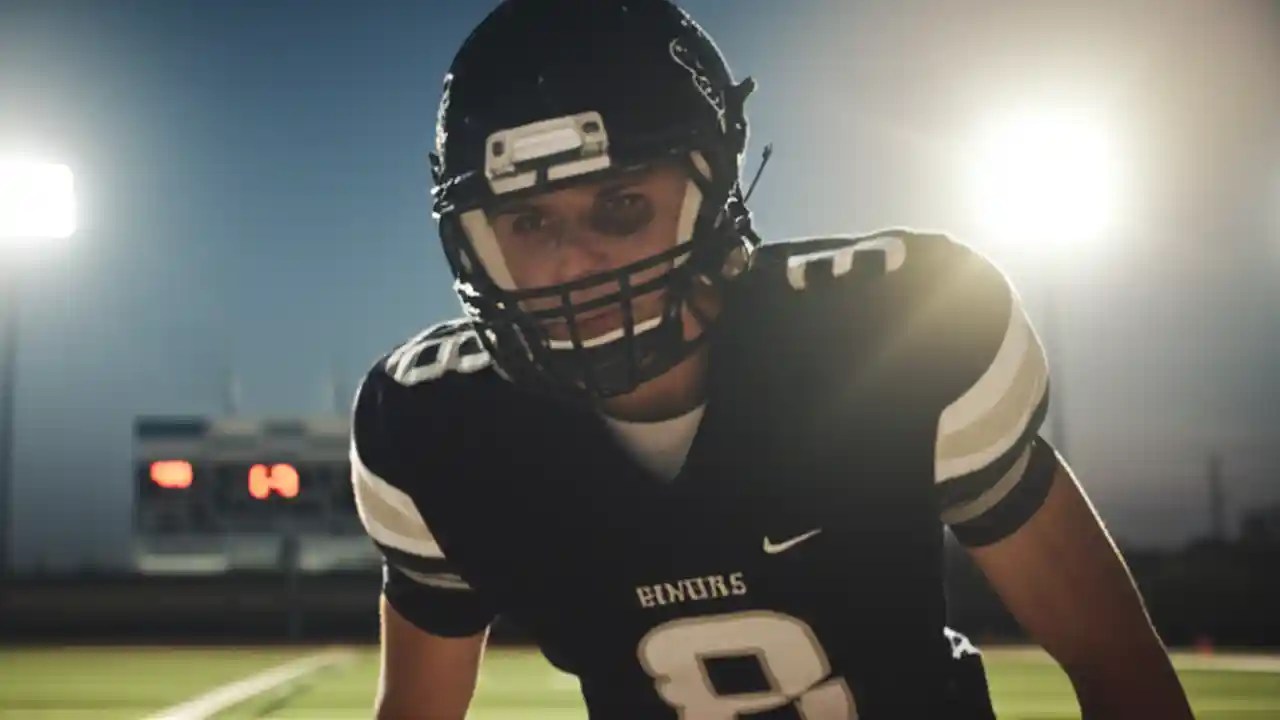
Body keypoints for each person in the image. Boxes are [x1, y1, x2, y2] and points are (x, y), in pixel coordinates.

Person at [349, 1, 1193, 717]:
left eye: (622, 204)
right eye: (530, 223)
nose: (574, 264)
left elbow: (1113, 661)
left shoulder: (891, 336)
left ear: (710, 190)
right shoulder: (436, 426)